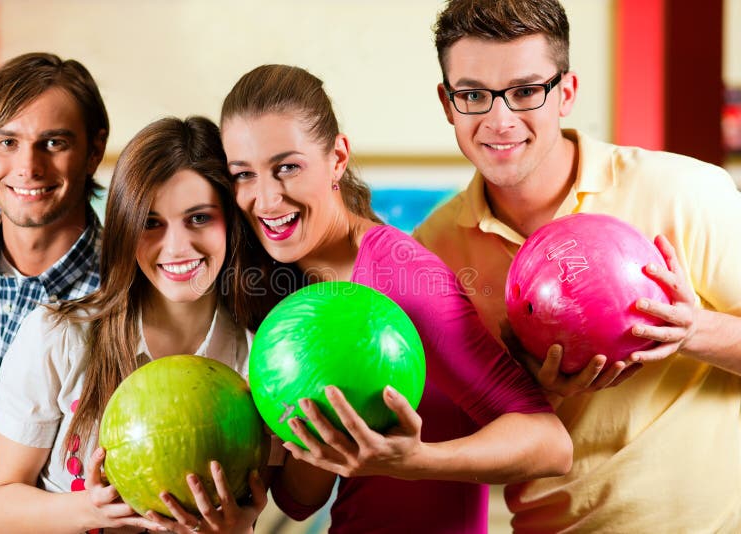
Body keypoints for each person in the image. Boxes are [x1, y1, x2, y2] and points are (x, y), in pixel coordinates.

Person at [414, 1, 741, 532]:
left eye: (524, 92)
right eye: (473, 95)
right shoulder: (433, 249)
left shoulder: (686, 191)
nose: (500, 121)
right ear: (448, 103)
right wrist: (533, 394)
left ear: (565, 93)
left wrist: (692, 329)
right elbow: (464, 440)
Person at [219, 63, 573, 534]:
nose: (265, 200)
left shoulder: (404, 276)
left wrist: (418, 460)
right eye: (243, 175)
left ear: (338, 158)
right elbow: (301, 501)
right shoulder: (287, 287)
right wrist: (325, 438)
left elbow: (550, 443)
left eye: (287, 168)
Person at [0, 116, 269, 534]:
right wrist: (93, 510)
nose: (177, 246)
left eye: (199, 218)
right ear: (125, 228)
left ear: (231, 220)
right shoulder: (58, 336)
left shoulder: (258, 361)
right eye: (151, 223)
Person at [0, 52, 108, 533]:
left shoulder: (131, 294)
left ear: (95, 150)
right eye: (7, 142)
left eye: (53, 143)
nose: (27, 166)